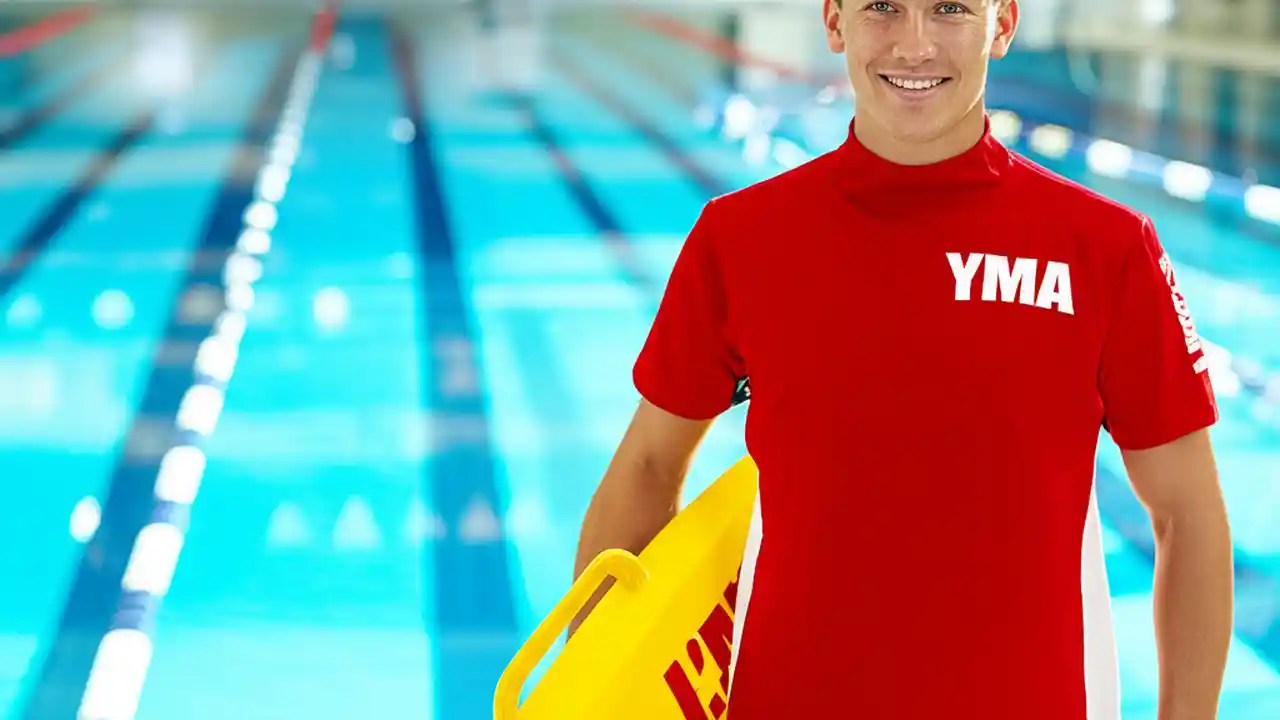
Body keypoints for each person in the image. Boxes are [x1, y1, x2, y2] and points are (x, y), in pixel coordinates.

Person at [572, 0, 1234, 717]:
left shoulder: (1104, 250)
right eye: (883, 8)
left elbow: (1187, 513)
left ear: (1002, 25)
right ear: (835, 22)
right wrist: (595, 691)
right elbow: (645, 467)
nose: (914, 45)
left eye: (950, 9)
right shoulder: (743, 239)